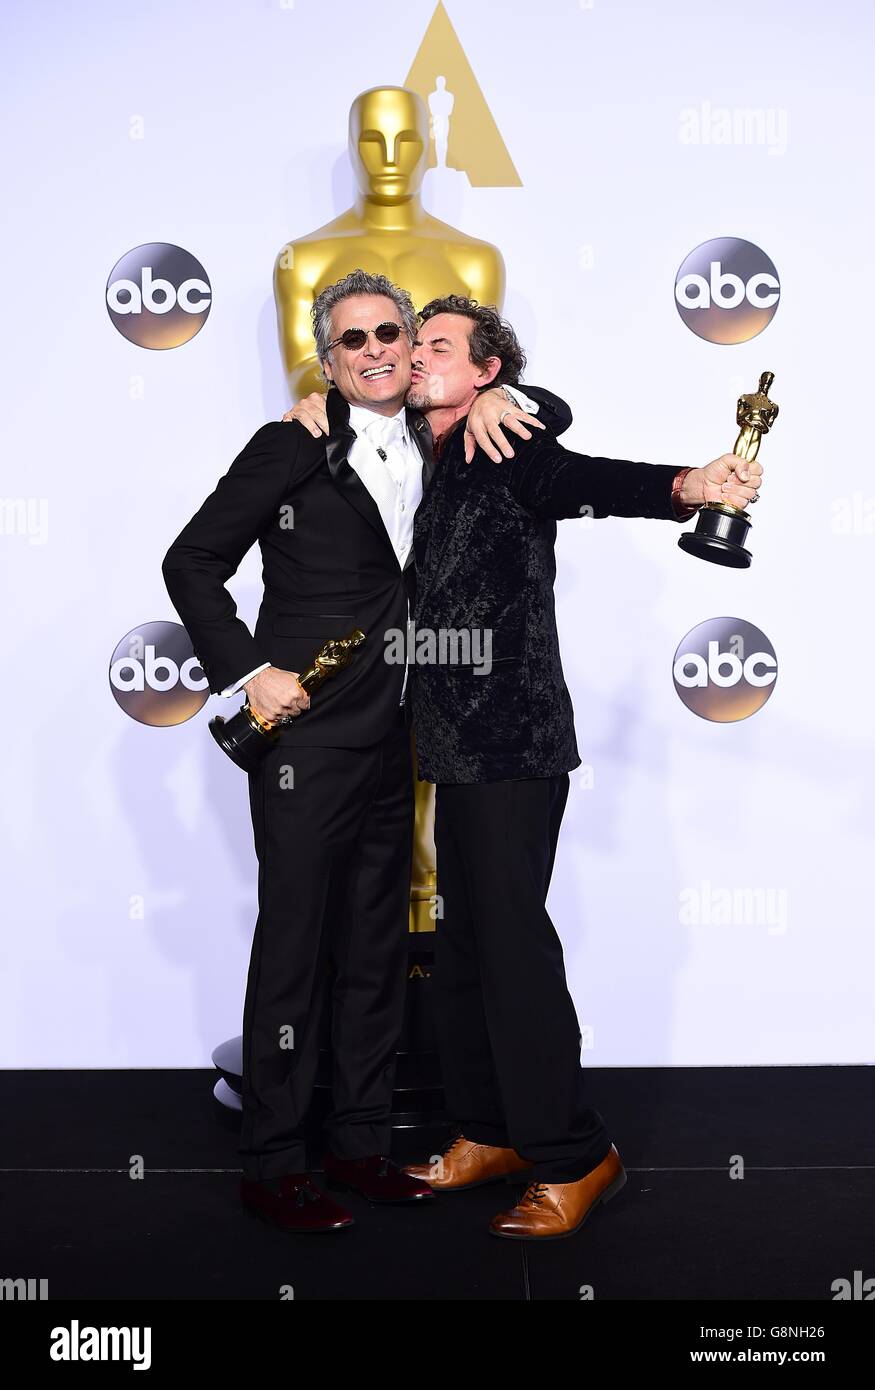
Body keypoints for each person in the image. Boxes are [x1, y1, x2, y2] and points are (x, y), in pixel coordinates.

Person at [162, 270, 569, 1234]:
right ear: (327, 358)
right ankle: (273, 1161)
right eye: (354, 340)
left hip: (401, 734)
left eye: (393, 331)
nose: (379, 349)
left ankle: (357, 1146)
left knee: (377, 953)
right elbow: (191, 561)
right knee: (296, 948)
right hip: (305, 740)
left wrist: (518, 393)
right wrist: (247, 669)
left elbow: (542, 423)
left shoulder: (447, 440)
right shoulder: (290, 444)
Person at [392, 295, 762, 1239]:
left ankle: (575, 1153)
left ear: (485, 373)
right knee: (464, 947)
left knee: (513, 953)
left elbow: (579, 476)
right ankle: (489, 1131)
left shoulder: (504, 439)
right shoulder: (414, 452)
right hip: (448, 743)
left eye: (440, 344)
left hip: (514, 742)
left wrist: (688, 485)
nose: (416, 354)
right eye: (411, 341)